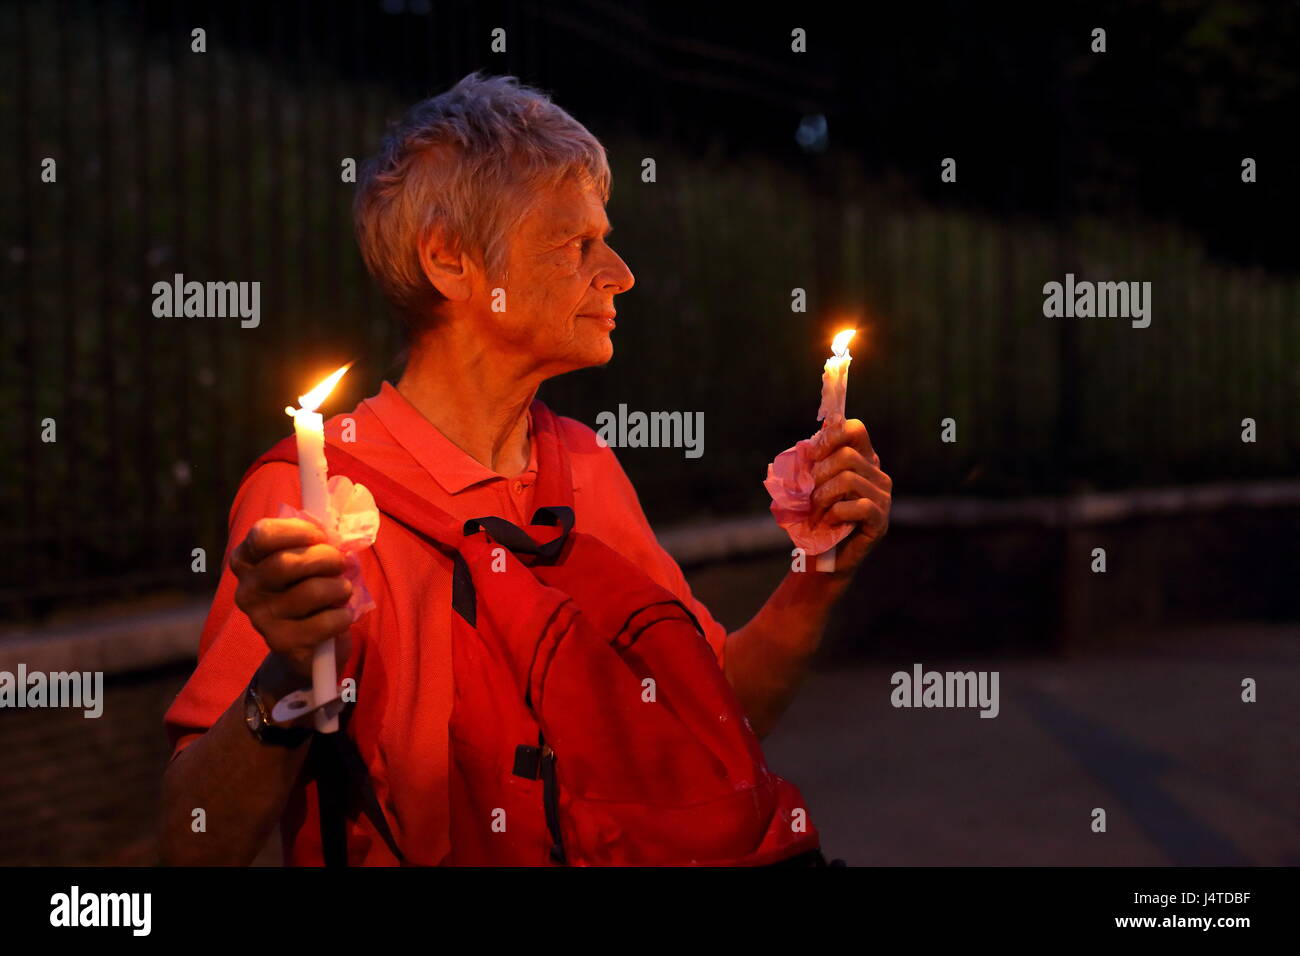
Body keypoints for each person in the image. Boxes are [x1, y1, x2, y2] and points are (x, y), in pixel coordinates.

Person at [159, 72, 892, 866]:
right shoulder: (314, 495)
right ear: (449, 260)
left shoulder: (584, 462)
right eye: (579, 244)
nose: (619, 274)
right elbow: (195, 843)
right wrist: (286, 678)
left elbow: (719, 718)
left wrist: (817, 573)